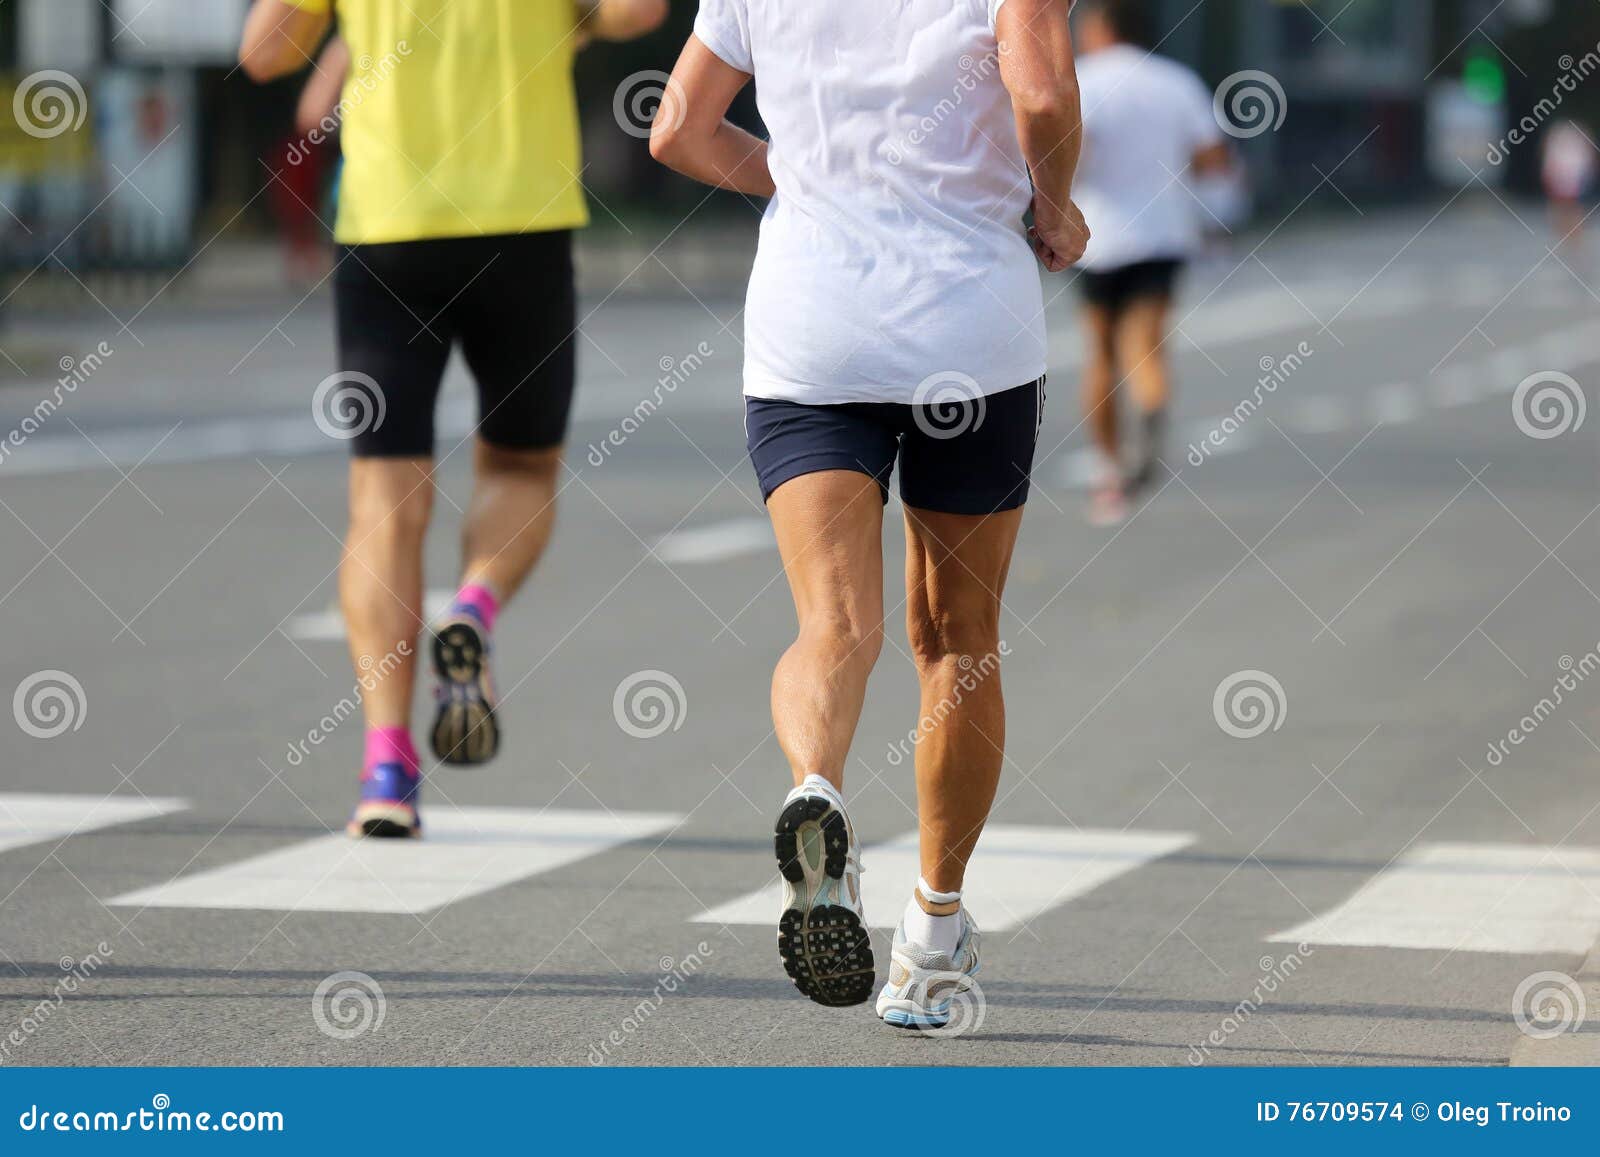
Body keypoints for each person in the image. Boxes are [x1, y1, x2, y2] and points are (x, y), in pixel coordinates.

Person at [652, 0, 1086, 1027]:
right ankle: (932, 938)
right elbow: (1040, 92)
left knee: (833, 626)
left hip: (812, 329)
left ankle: (816, 789)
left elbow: (676, 130)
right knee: (958, 639)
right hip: (968, 333)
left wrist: (799, 179)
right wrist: (1054, 204)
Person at [238, 0, 668, 839]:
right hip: (523, 224)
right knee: (520, 468)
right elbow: (637, 10)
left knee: (383, 503)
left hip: (389, 227)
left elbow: (264, 54)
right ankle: (472, 605)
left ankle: (387, 769)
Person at [1070, 0, 1230, 526]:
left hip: (1096, 236)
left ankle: (1108, 465)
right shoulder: (1176, 82)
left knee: (1100, 351)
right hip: (1163, 234)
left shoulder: (1081, 80)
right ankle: (1152, 401)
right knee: (1146, 341)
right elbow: (1213, 158)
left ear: (1100, 27)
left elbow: (1068, 153)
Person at [1542, 120, 1597, 263]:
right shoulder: (1558, 143)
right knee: (1562, 209)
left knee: (1572, 209)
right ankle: (1568, 237)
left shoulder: (1575, 144)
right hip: (1564, 179)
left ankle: (1574, 239)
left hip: (1574, 180)